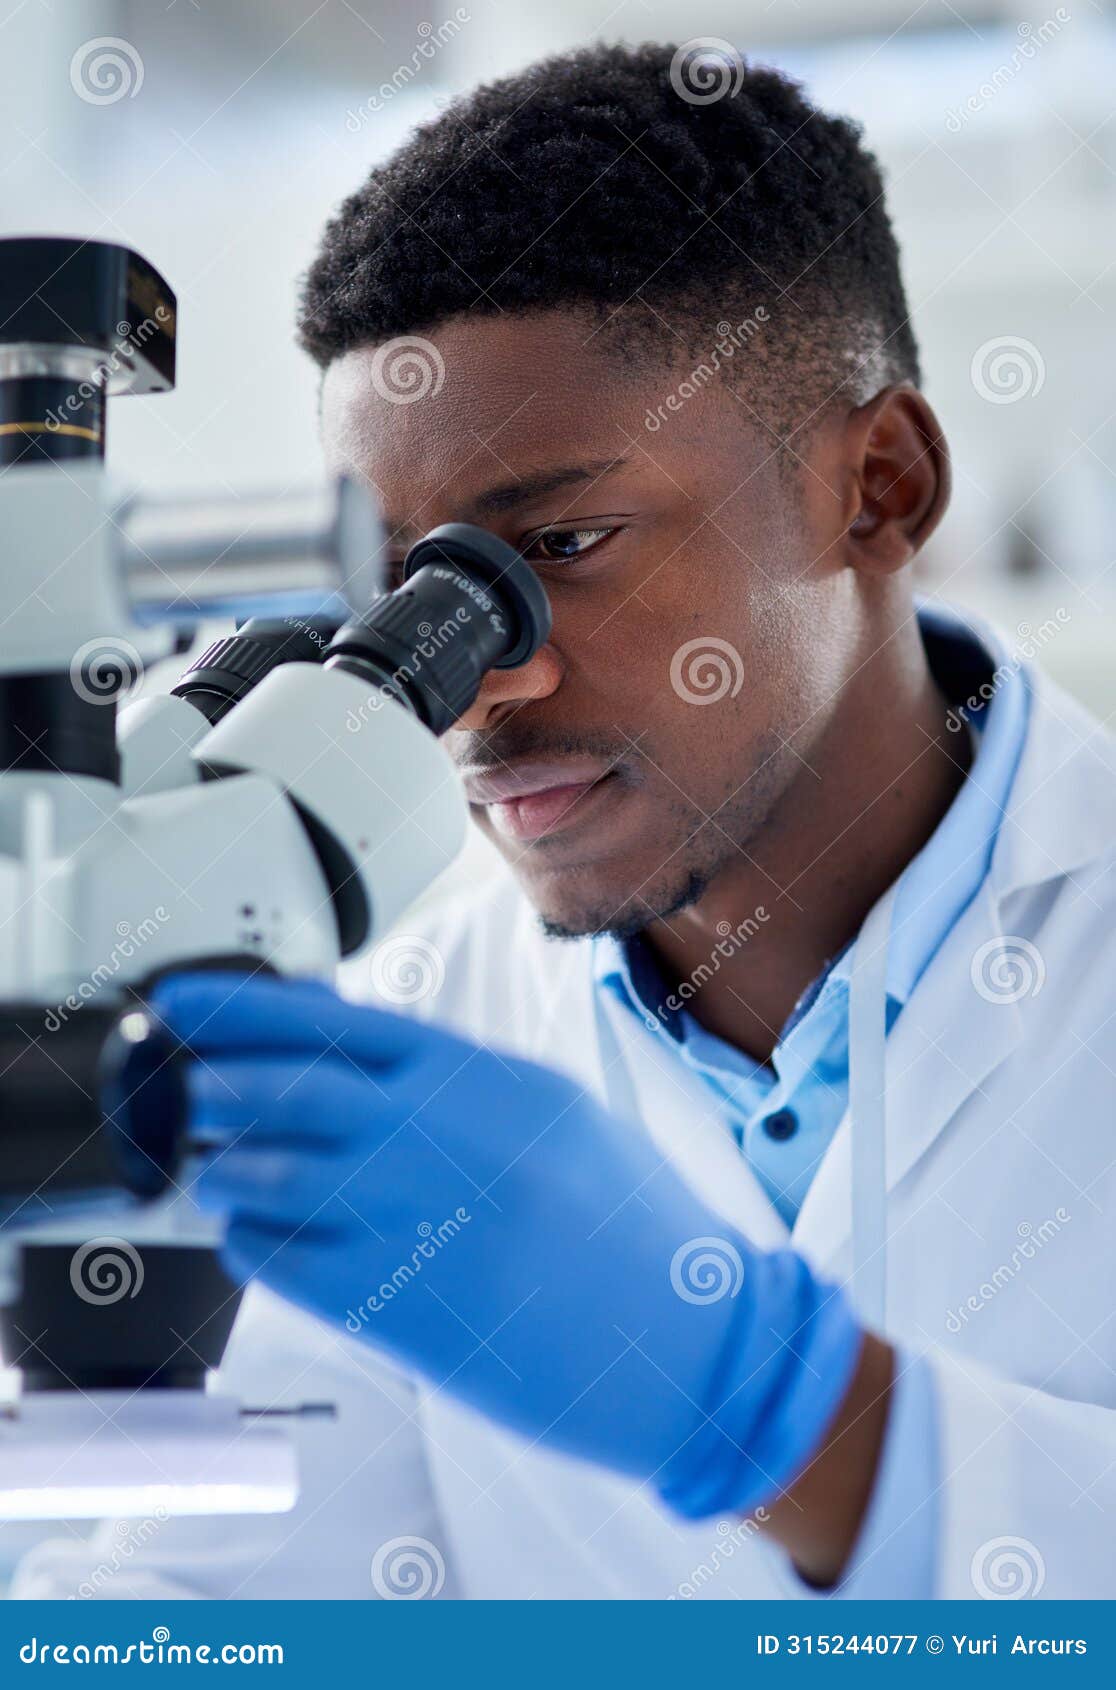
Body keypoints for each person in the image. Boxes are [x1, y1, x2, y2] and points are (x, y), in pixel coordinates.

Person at [16, 41, 1116, 1602]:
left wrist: (778, 1409)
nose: (478, 678)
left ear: (879, 486)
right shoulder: (410, 1058)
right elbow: (206, 1606)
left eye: (560, 544)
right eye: (401, 593)